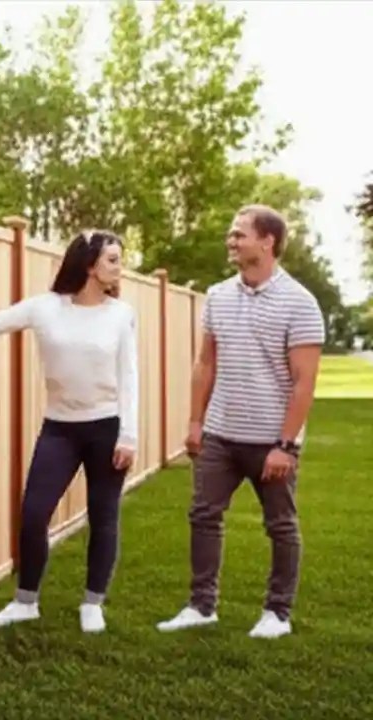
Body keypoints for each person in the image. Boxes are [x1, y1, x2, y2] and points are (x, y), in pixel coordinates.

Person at [0, 229, 138, 634]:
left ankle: (92, 604)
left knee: (104, 517)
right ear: (88, 264)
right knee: (33, 515)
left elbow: (129, 376)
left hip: (106, 428)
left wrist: (129, 436)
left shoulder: (121, 314)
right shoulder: (44, 308)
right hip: (59, 430)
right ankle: (25, 601)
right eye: (113, 260)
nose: (120, 268)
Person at [157, 205, 324, 639]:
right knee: (203, 515)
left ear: (267, 241)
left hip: (271, 441)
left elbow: (304, 384)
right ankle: (201, 606)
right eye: (231, 236)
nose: (231, 242)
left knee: (281, 525)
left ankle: (277, 614)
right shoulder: (217, 295)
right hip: (220, 436)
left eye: (239, 235)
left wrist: (285, 445)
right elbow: (205, 364)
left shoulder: (300, 303)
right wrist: (196, 422)